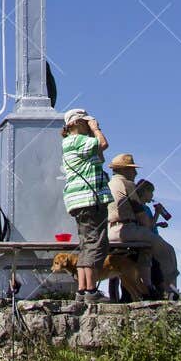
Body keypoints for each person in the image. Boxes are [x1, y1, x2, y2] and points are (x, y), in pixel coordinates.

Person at [60, 107, 109, 300]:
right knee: (95, 243)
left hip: (78, 201)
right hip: (90, 199)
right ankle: (90, 290)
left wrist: (92, 133)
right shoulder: (77, 140)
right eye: (86, 122)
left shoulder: (72, 143)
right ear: (76, 123)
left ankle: (83, 289)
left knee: (86, 243)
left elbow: (100, 158)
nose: (90, 124)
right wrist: (96, 130)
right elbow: (103, 144)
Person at [134, 177, 181, 300]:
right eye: (151, 192)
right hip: (150, 238)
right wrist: (158, 213)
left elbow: (150, 224)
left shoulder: (145, 208)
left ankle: (170, 289)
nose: (152, 195)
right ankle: (171, 289)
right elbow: (148, 226)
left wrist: (159, 223)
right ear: (144, 192)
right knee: (168, 254)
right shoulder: (142, 208)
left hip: (151, 236)